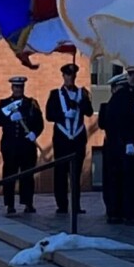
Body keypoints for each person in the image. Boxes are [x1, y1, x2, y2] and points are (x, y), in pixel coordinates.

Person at [98, 69, 134, 223]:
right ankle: (127, 212)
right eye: (130, 75)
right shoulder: (122, 96)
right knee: (127, 180)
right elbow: (116, 122)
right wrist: (127, 141)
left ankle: (125, 211)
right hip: (126, 145)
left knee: (132, 179)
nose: (133, 78)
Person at [47, 62, 94, 218]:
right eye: (67, 75)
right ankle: (62, 205)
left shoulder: (82, 93)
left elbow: (89, 112)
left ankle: (76, 205)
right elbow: (49, 115)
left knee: (76, 173)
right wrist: (63, 114)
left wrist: (81, 103)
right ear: (63, 76)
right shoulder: (55, 94)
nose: (70, 78)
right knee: (60, 173)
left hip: (78, 139)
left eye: (72, 75)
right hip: (62, 138)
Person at [0, 73, 45, 212]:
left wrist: (35, 133)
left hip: (27, 147)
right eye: (16, 87)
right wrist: (9, 118)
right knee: (10, 175)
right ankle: (10, 204)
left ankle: (28, 202)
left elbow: (39, 123)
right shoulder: (4, 103)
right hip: (10, 147)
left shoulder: (31, 104)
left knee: (27, 176)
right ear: (12, 87)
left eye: (20, 87)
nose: (18, 89)